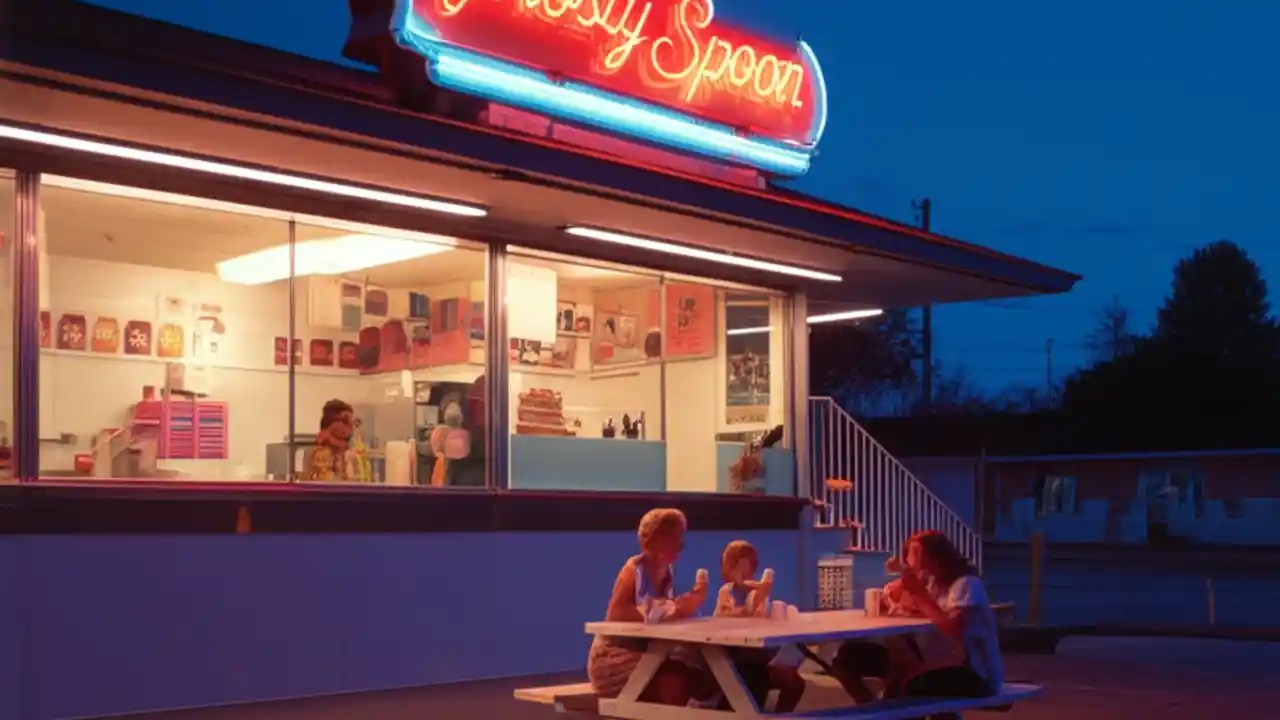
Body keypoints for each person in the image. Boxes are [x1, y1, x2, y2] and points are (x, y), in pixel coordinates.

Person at [832, 531, 1003, 714]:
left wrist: (918, 593)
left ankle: (887, 713)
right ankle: (872, 709)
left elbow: (954, 629)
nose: (912, 560)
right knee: (847, 657)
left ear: (934, 556)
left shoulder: (966, 584)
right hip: (930, 662)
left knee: (907, 684)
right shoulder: (933, 584)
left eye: (917, 554)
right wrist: (904, 582)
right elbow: (897, 599)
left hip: (974, 673)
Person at [586, 509, 713, 705]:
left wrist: (686, 604)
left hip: (649, 653)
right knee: (675, 683)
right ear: (655, 539)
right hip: (616, 657)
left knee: (701, 675)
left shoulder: (666, 572)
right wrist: (667, 610)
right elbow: (617, 612)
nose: (679, 544)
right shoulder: (634, 570)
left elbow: (664, 612)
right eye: (673, 537)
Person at [714, 541, 806, 712]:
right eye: (733, 567)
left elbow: (761, 623)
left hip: (760, 656)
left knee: (794, 683)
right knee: (754, 678)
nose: (739, 573)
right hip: (733, 657)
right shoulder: (726, 592)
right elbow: (724, 620)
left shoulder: (759, 593)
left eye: (744, 567)